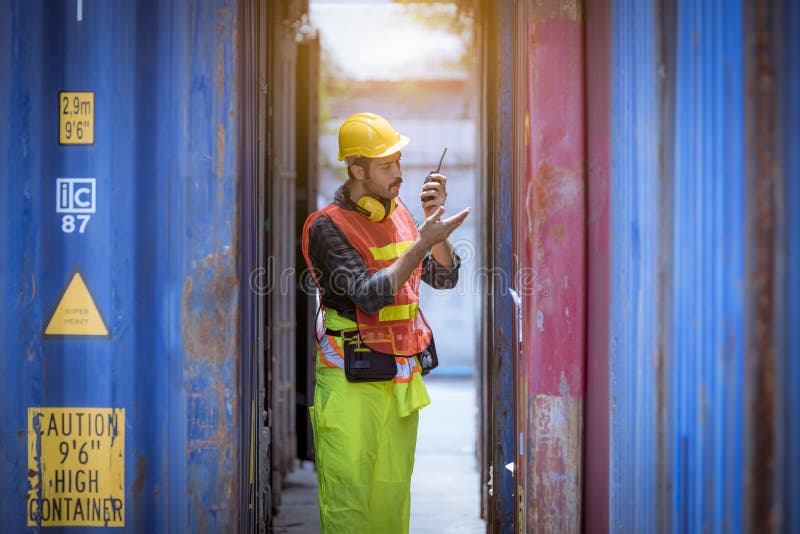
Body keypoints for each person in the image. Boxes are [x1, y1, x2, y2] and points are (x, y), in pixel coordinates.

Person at [301, 112, 470, 533]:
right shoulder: (327, 227)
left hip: (400, 382)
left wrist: (436, 225)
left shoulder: (401, 214)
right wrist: (420, 244)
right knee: (349, 506)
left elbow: (445, 277)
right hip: (349, 380)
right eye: (386, 165)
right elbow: (370, 295)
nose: (399, 174)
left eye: (398, 161)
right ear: (356, 169)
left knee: (391, 508)